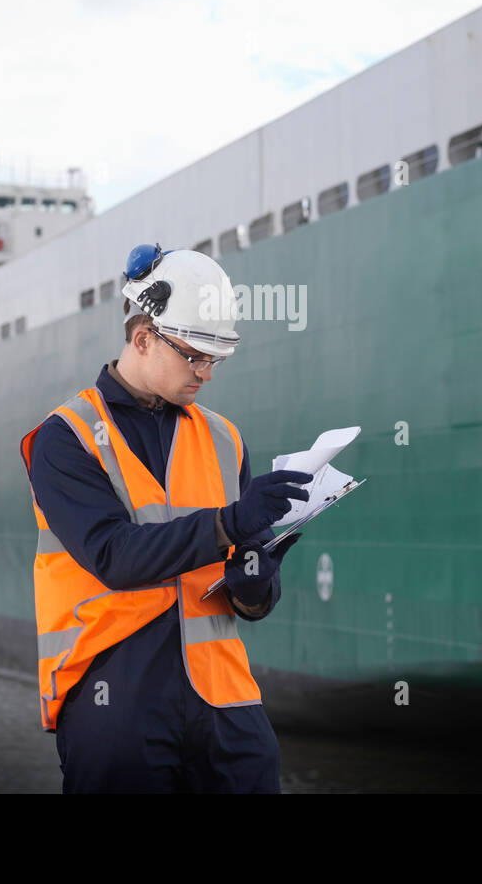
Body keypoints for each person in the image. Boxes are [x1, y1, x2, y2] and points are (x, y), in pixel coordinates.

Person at [18, 244, 312, 793]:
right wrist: (229, 522)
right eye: (195, 355)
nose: (206, 372)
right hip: (115, 697)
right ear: (143, 338)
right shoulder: (66, 437)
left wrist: (256, 584)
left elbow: (250, 596)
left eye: (216, 359)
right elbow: (113, 556)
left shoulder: (225, 438)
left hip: (224, 699)